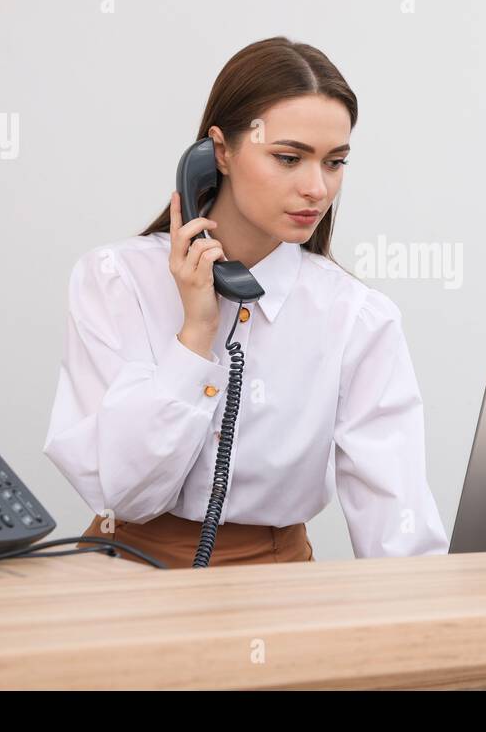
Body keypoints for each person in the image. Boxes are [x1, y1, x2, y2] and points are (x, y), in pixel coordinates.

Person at [41, 36, 449, 568]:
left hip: (275, 581)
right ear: (220, 152)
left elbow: (397, 519)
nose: (317, 189)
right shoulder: (116, 278)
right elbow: (124, 494)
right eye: (288, 158)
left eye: (334, 162)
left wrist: (431, 627)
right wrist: (195, 336)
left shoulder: (357, 317)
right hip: (122, 568)